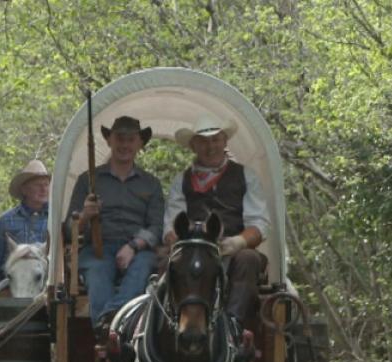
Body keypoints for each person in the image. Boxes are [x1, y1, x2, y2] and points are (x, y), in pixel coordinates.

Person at [162, 113, 270, 328]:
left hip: (231, 248)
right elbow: (171, 227)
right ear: (193, 146)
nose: (210, 147)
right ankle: (168, 324)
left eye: (215, 140)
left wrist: (237, 242)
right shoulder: (180, 181)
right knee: (162, 263)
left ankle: (232, 325)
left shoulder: (245, 176)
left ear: (224, 141)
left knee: (249, 259)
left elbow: (259, 225)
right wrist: (187, 245)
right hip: (192, 246)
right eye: (203, 141)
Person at [67, 115, 164, 336]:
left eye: (131, 140)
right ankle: (110, 330)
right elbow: (67, 229)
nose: (125, 145)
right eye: (119, 138)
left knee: (143, 267)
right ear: (109, 141)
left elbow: (157, 226)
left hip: (138, 251)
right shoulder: (87, 180)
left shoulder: (151, 184)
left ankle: (111, 321)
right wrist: (84, 216)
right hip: (98, 250)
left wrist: (134, 246)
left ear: (140, 144)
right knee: (97, 270)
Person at [0, 158, 50, 293]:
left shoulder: (56, 218)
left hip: (48, 288)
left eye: (46, 184)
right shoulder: (6, 220)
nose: (44, 189)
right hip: (10, 285)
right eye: (38, 185)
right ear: (25, 190)